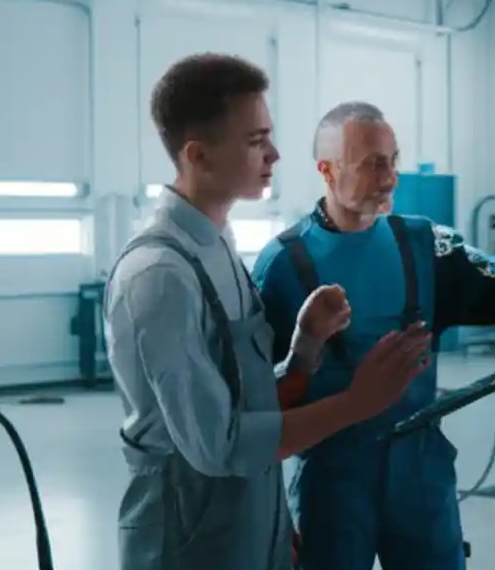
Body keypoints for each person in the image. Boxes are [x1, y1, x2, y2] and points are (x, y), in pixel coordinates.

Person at [104, 57, 433, 570]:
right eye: (256, 140)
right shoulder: (159, 277)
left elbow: (244, 402)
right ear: (200, 155)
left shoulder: (219, 249)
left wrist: (303, 349)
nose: (275, 154)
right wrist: (359, 401)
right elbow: (223, 444)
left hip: (247, 531)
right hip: (190, 545)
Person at [251, 101, 495, 570]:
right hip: (332, 474)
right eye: (372, 164)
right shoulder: (281, 266)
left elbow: (492, 280)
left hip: (420, 469)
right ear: (326, 169)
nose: (389, 177)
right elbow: (261, 406)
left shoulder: (422, 242)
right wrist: (271, 519)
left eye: (393, 160)